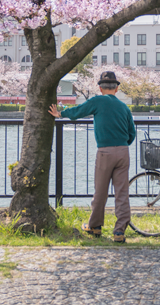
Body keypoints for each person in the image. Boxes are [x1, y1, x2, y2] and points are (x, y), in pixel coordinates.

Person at [49, 71, 135, 243]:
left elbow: (79, 111)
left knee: (101, 191)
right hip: (123, 151)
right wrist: (122, 144)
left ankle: (95, 226)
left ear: (100, 88)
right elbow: (131, 133)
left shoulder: (97, 101)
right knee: (122, 193)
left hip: (105, 151)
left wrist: (61, 114)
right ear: (117, 88)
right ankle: (119, 232)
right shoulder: (124, 107)